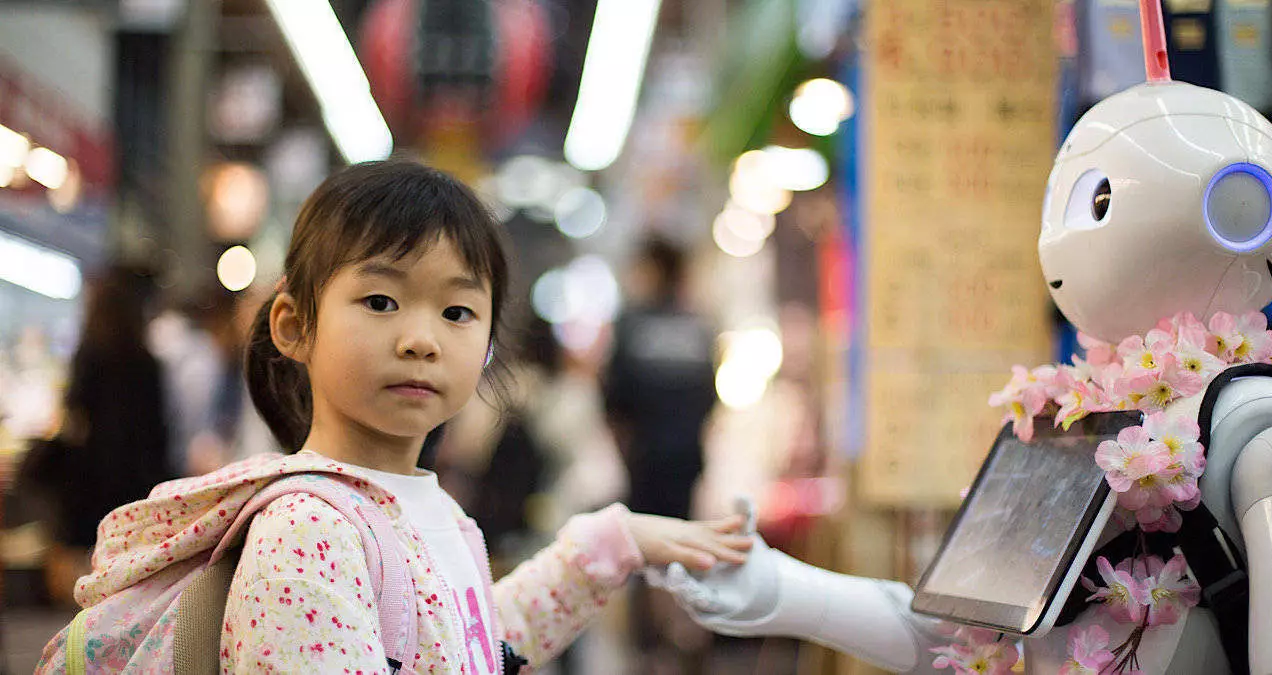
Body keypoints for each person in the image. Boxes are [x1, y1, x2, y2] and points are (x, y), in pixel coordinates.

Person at [53, 160, 751, 673]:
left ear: (484, 346)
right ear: (295, 325)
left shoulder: (429, 512)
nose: (422, 337)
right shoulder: (308, 530)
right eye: (381, 301)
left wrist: (613, 542)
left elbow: (470, 645)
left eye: (456, 311)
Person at [604, 238, 719, 674]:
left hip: (645, 458)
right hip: (686, 458)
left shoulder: (632, 323)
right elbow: (710, 400)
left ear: (655, 269)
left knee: (645, 549)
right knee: (685, 544)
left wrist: (625, 448)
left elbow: (613, 401)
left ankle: (651, 646)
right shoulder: (699, 326)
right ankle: (686, 636)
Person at [45, 265, 170, 606]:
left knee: (84, 550)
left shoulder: (89, 353)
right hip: (135, 472)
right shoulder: (147, 360)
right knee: (127, 548)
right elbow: (158, 426)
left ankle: (83, 616)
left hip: (91, 470)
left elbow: (74, 412)